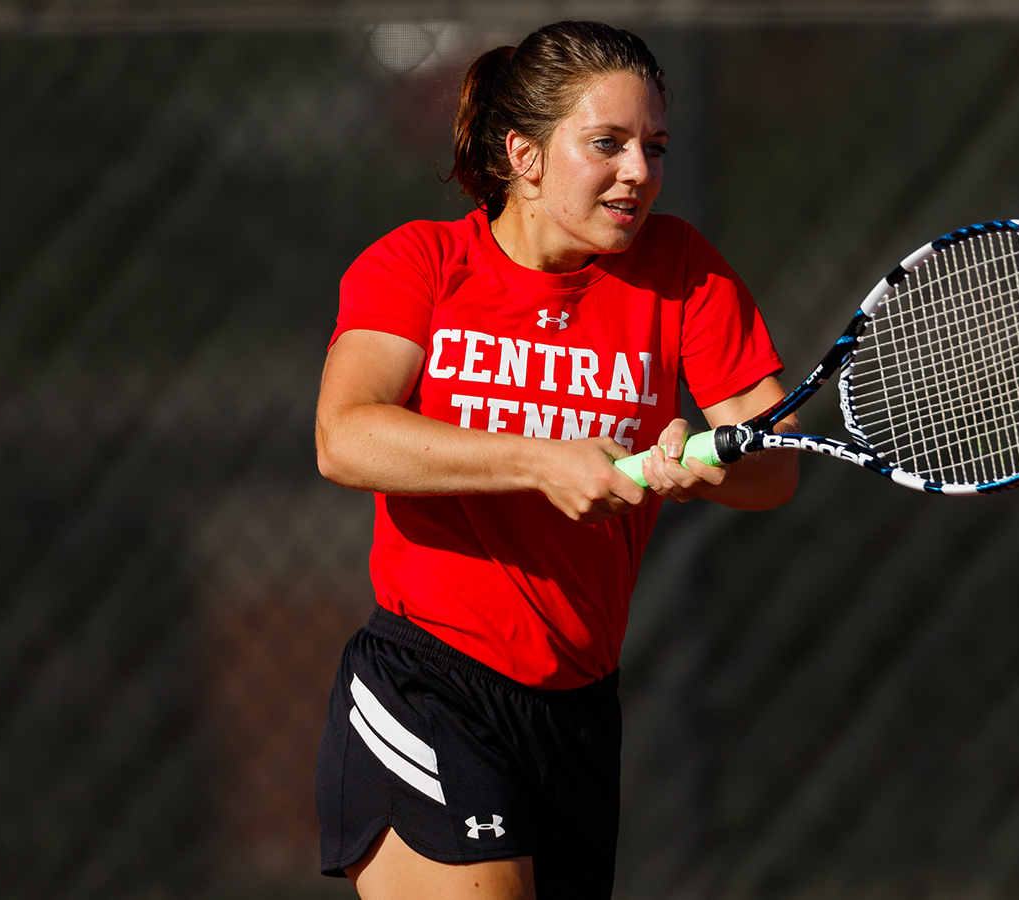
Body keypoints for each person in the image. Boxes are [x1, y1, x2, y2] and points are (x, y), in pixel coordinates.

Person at [313, 20, 798, 900]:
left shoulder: (684, 270)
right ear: (524, 156)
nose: (639, 172)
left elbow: (774, 465)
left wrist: (704, 465)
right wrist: (543, 461)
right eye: (606, 144)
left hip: (577, 711)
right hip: (431, 685)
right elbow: (345, 436)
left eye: (654, 146)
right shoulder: (421, 263)